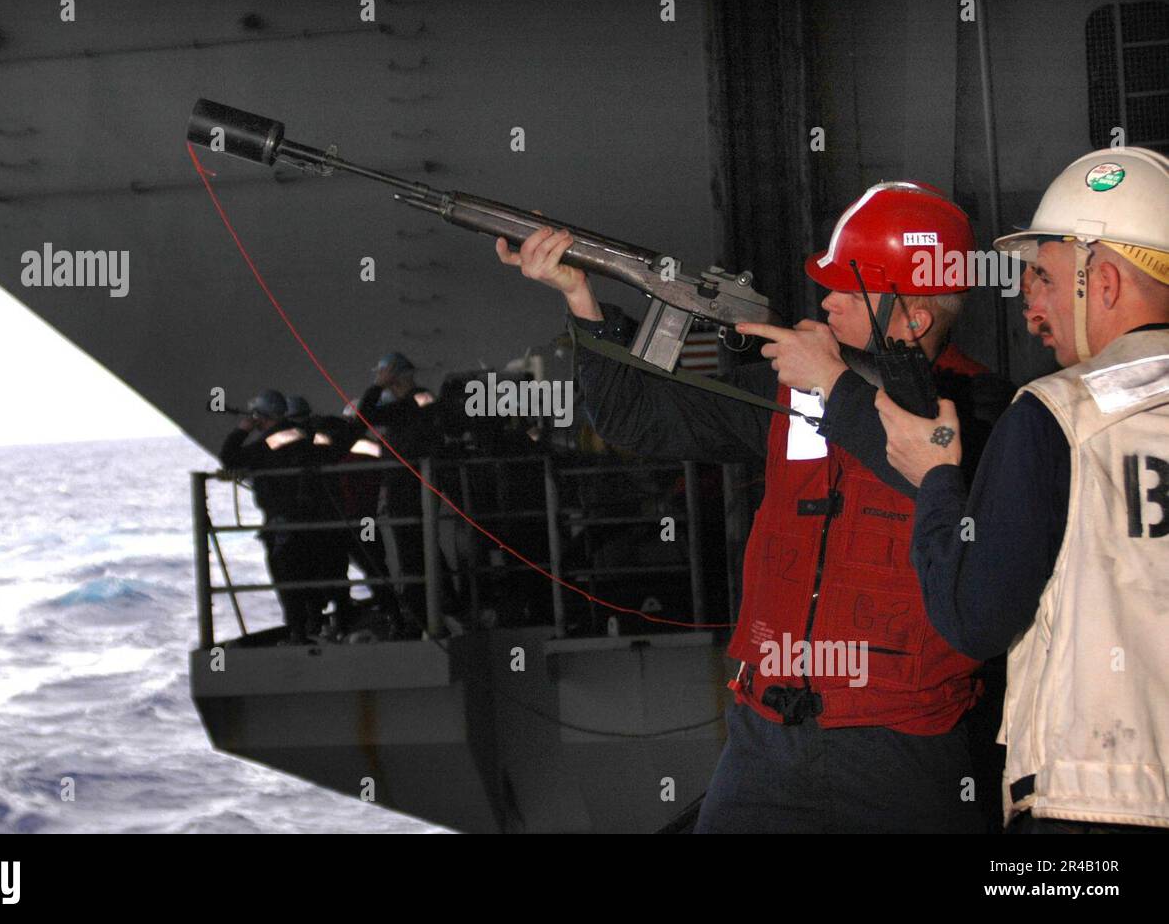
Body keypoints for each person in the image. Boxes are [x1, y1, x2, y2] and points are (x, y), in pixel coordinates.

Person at [497, 181, 1014, 833]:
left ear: (911, 318)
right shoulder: (793, 393)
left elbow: (946, 484)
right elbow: (637, 418)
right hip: (766, 743)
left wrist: (832, 385)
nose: (825, 305)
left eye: (848, 292)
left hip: (907, 751)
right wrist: (581, 296)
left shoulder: (993, 413)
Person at [876, 147, 1169, 832]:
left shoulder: (1057, 415)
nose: (1030, 306)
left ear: (1103, 281)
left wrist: (936, 479)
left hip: (1096, 808)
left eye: (1042, 276)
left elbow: (972, 618)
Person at [219, 389, 354, 643]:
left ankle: (299, 634)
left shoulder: (271, 442)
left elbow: (229, 457)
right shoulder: (302, 433)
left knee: (288, 581)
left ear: (261, 415)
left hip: (285, 522)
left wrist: (243, 429)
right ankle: (321, 626)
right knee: (312, 575)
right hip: (312, 519)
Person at [356, 353, 451, 637]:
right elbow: (366, 417)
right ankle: (435, 606)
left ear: (394, 374)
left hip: (413, 483)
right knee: (417, 547)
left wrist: (378, 388)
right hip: (403, 483)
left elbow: (372, 414)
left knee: (415, 549)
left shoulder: (420, 399)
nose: (378, 378)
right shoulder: (403, 405)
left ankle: (430, 611)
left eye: (382, 373)